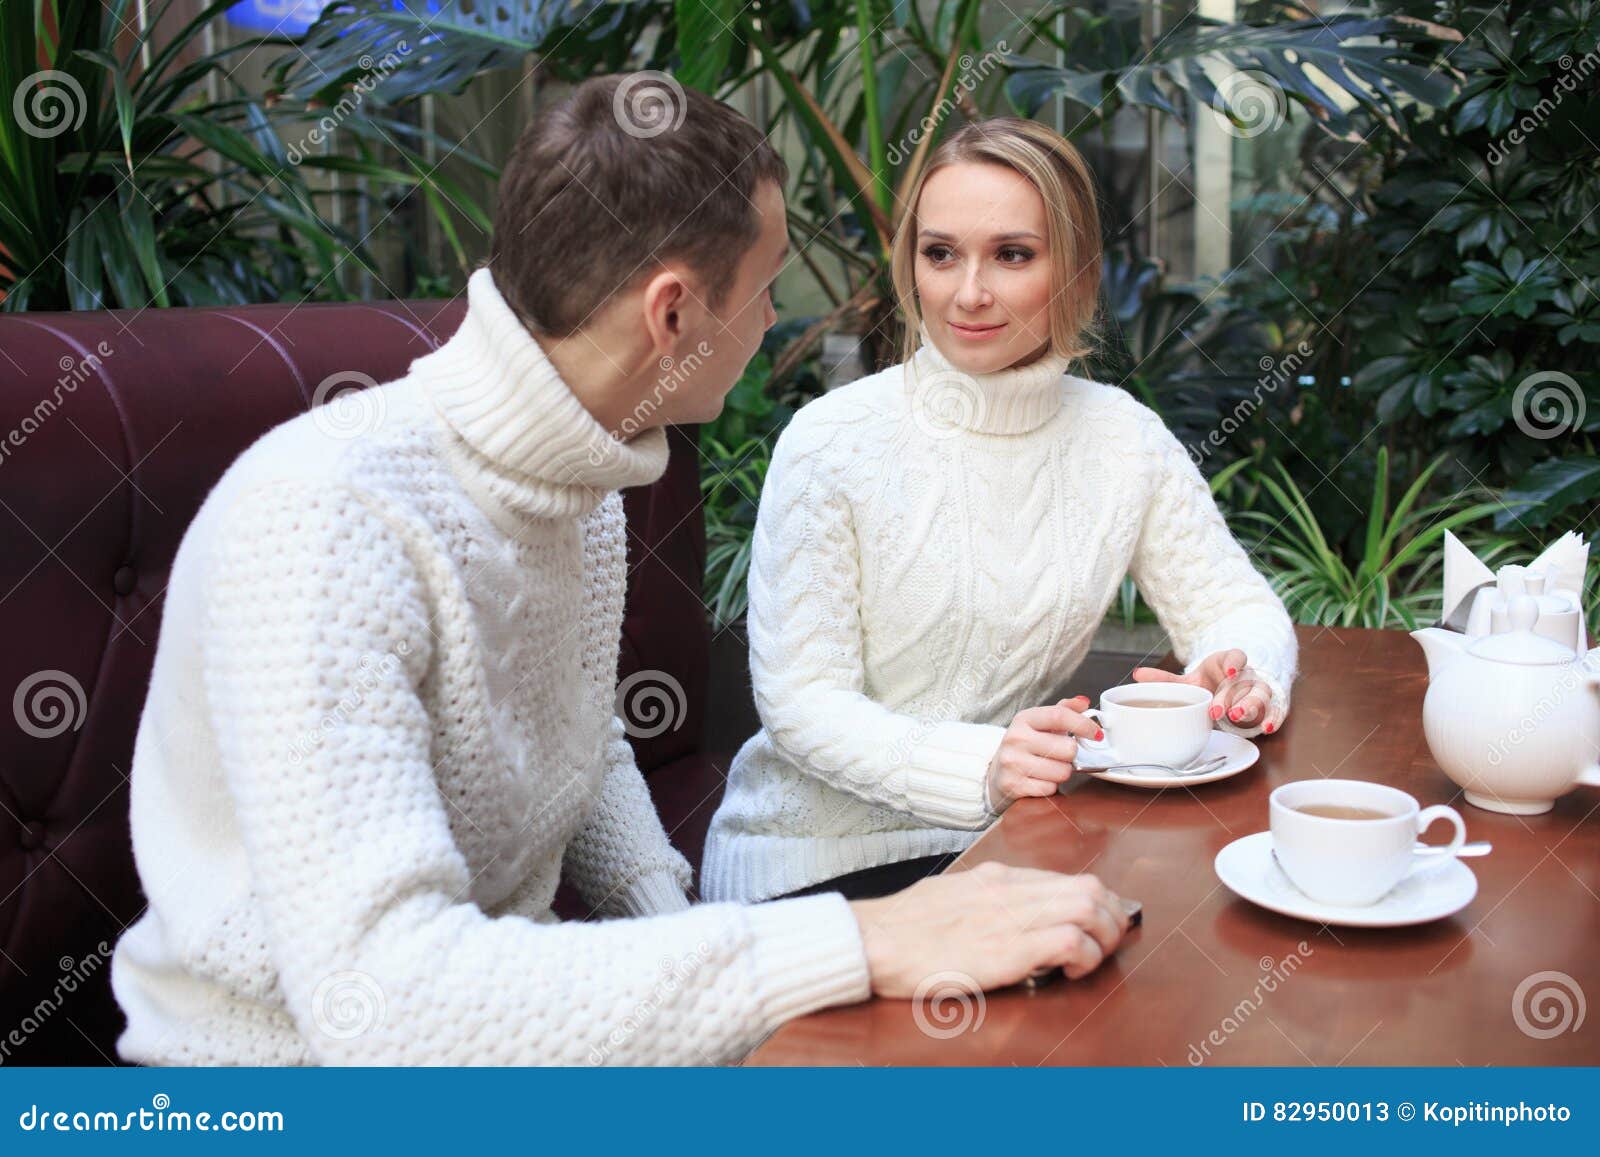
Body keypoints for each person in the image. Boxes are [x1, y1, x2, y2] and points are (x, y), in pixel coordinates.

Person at [110, 77, 1134, 1067]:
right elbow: (387, 1007)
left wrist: (670, 923)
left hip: (508, 1041)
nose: (777, 315)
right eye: (768, 282)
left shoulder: (578, 489)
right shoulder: (326, 522)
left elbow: (581, 741)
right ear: (673, 315)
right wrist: (863, 944)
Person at [701, 116, 1298, 905]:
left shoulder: (1121, 436)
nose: (969, 291)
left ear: (1075, 269)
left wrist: (1243, 673)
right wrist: (983, 765)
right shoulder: (832, 441)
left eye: (1012, 254)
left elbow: (1233, 602)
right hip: (814, 863)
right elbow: (802, 706)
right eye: (940, 253)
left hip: (1009, 843)